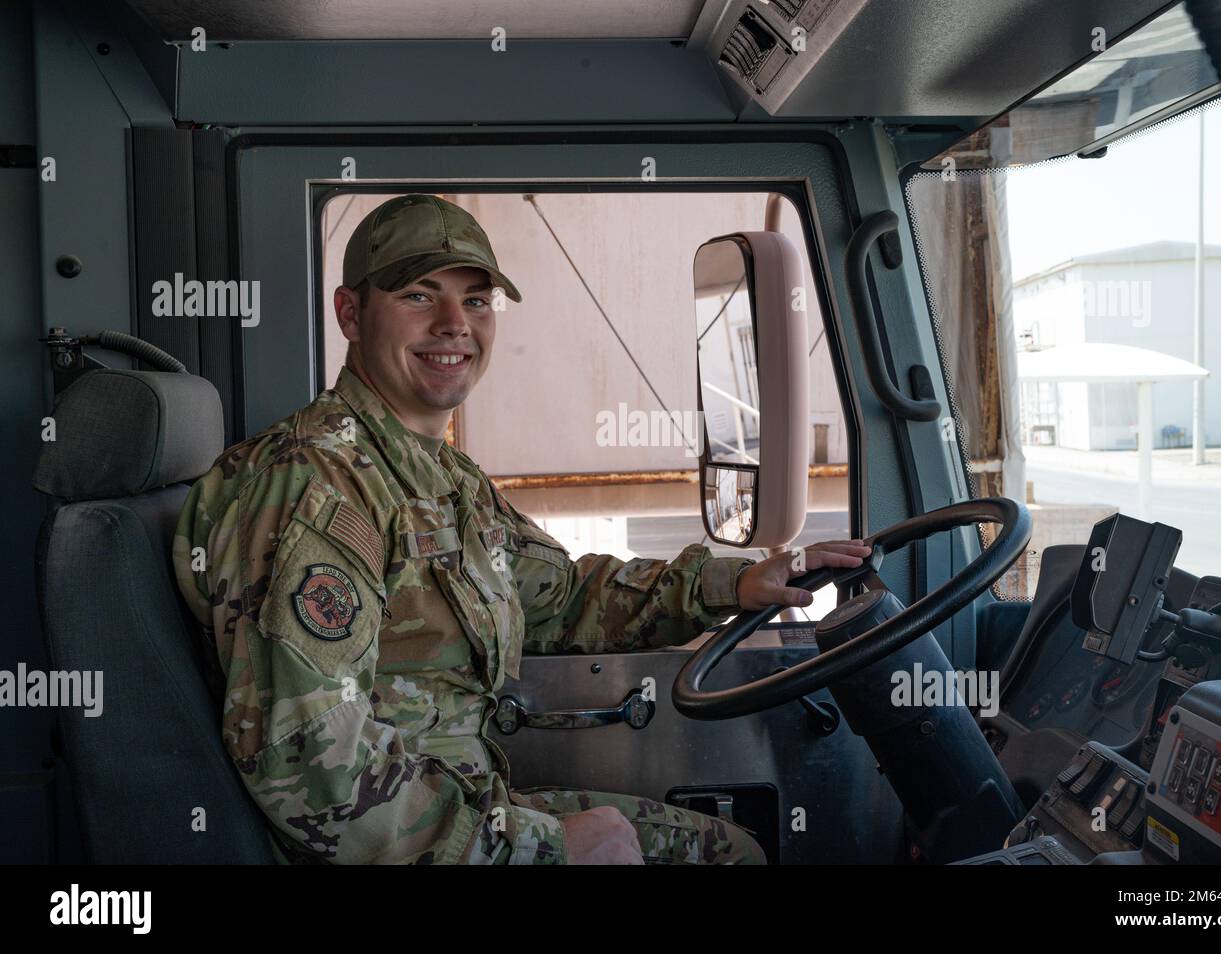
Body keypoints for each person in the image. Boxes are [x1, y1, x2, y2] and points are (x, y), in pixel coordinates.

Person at [173, 193, 870, 864]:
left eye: (475, 300)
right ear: (351, 314)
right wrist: (542, 849)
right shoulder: (312, 484)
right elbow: (306, 759)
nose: (454, 323)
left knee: (732, 849)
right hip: (405, 844)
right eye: (419, 294)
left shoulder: (441, 476)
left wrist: (732, 582)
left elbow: (558, 598)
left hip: (465, 812)